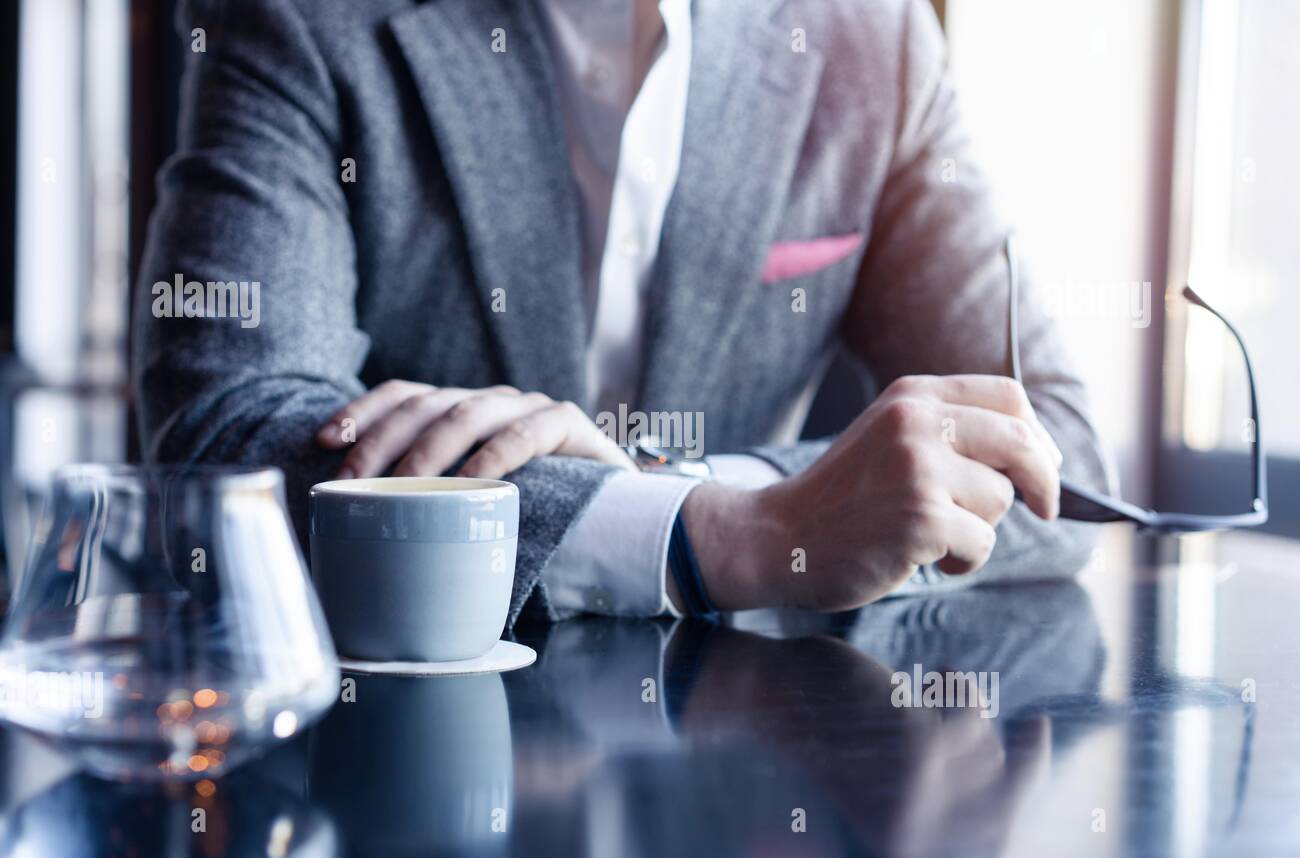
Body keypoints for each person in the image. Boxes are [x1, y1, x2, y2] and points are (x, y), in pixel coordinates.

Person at [134, 0, 1113, 627]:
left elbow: (1058, 456)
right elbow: (220, 441)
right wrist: (725, 535)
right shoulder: (296, 21)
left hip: (740, 772)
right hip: (390, 770)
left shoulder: (871, 40)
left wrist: (710, 499)